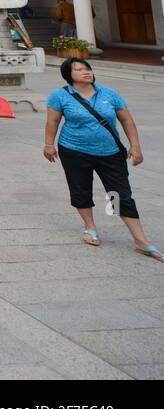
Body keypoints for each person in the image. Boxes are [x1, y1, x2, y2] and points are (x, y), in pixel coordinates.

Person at [43, 58, 162, 261]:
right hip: (74, 150)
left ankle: (140, 240)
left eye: (87, 68)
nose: (86, 72)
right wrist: (48, 144)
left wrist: (135, 147)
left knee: (119, 193)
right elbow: (53, 121)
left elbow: (127, 120)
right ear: (68, 75)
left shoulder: (109, 93)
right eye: (79, 70)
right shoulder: (60, 95)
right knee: (81, 188)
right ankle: (90, 227)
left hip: (110, 152)